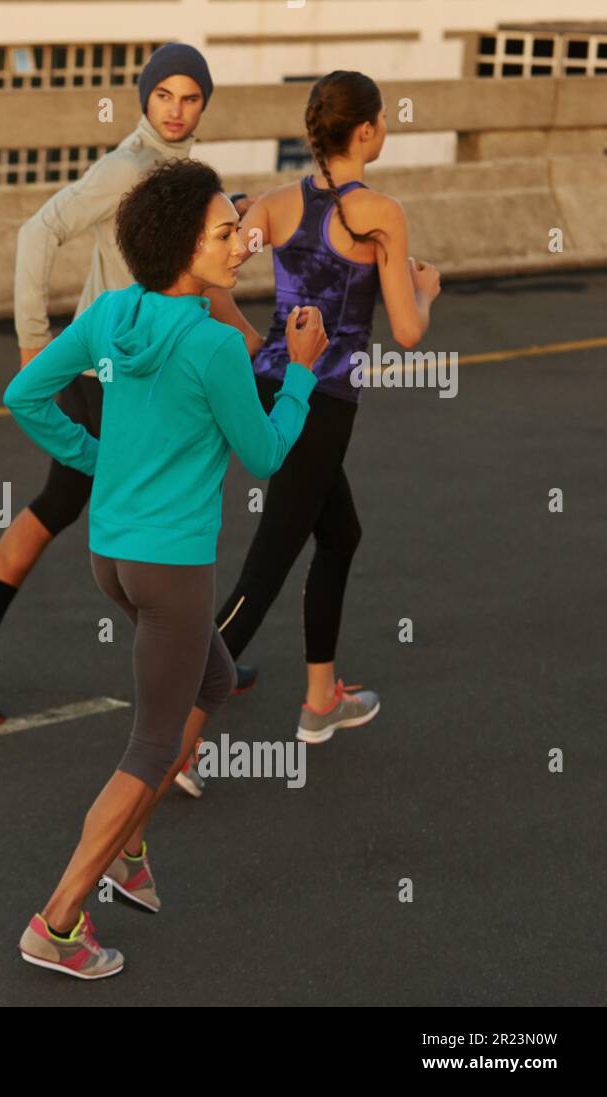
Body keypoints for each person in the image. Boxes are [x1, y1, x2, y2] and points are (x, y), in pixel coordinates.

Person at [6, 158, 328, 977]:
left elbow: (26, 396)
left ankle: (129, 845)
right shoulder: (216, 345)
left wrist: (95, 452)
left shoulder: (110, 315)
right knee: (149, 748)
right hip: (173, 569)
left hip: (111, 557)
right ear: (182, 245)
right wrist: (299, 373)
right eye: (224, 233)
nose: (239, 244)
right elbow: (265, 454)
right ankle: (58, 920)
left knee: (212, 684)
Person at [0, 44, 262, 781]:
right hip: (109, 371)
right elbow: (36, 231)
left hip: (138, 368)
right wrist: (31, 343)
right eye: (163, 95)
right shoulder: (123, 171)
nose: (176, 108)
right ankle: (169, 687)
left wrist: (255, 344)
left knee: (74, 503)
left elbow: (197, 285)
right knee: (134, 508)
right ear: (141, 99)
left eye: (190, 97)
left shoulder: (184, 179)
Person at [213, 70, 442, 743]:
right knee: (266, 568)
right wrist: (426, 288)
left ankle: (321, 699)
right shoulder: (380, 213)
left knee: (340, 535)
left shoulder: (280, 203)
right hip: (322, 402)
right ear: (366, 130)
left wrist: (256, 342)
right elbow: (406, 330)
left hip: (271, 383)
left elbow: (216, 268)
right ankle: (181, 733)